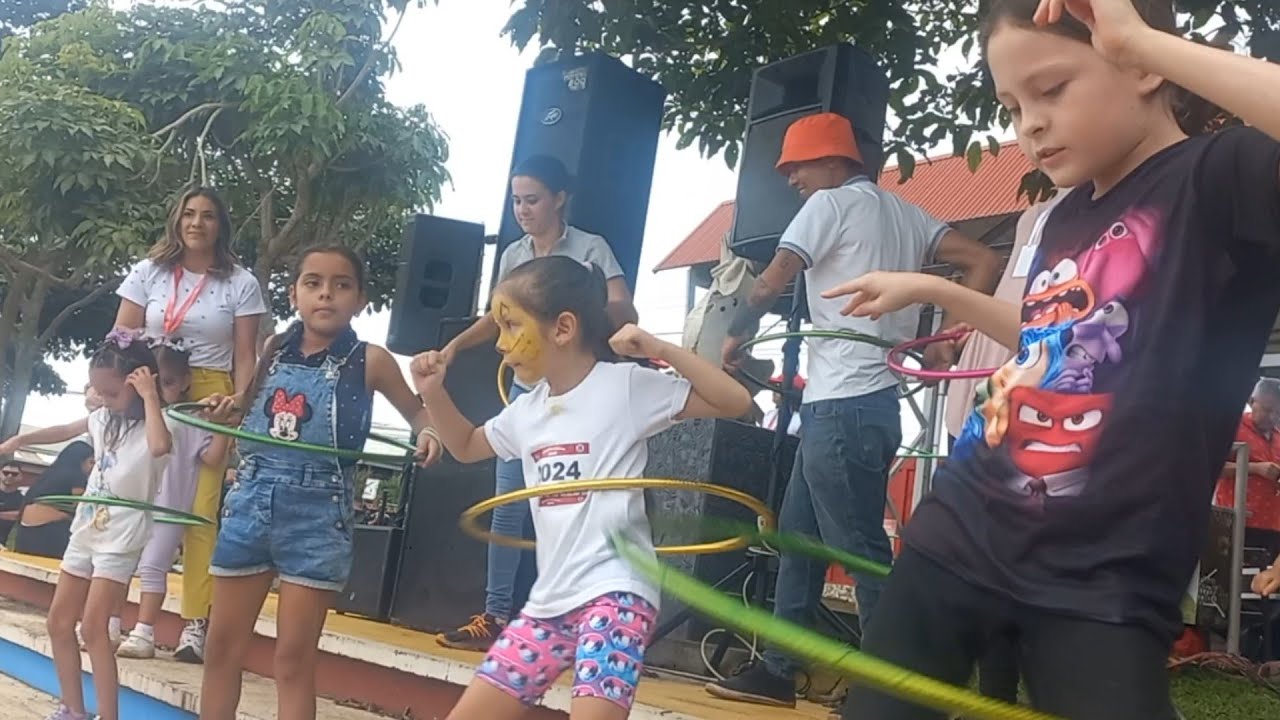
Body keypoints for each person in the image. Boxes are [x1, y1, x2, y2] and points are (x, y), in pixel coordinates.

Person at [821, 1, 1280, 717]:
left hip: (1105, 574)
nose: (1027, 124)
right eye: (1011, 104)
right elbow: (1051, 340)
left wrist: (1139, 37)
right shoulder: (1064, 215)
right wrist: (933, 288)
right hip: (962, 529)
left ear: (1146, 69)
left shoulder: (1220, 176)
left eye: (1052, 89)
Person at [708, 112, 1000, 707]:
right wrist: (949, 330)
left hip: (841, 408)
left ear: (835, 162)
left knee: (857, 550)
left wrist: (734, 334)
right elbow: (981, 261)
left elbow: (772, 282)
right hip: (862, 406)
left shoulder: (828, 207)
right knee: (799, 539)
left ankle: (895, 688)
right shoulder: (906, 214)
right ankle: (780, 669)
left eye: (799, 166)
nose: (792, 180)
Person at [410, 256, 752, 720]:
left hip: (617, 592)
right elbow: (467, 446)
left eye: (511, 326)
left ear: (563, 327)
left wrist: (658, 348)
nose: (502, 345)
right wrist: (432, 391)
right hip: (550, 600)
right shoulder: (527, 411)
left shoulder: (624, 386)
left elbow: (735, 402)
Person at [198, 246, 442, 720]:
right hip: (249, 503)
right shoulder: (273, 348)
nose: (326, 293)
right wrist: (229, 407)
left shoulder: (369, 359)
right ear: (294, 294)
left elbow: (416, 411)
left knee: (292, 660)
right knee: (221, 647)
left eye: (341, 284)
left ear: (360, 298)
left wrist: (429, 430)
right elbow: (249, 406)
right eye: (313, 283)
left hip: (318, 515)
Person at [436, 154, 642, 651]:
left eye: (532, 199)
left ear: (559, 198)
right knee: (510, 504)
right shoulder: (513, 254)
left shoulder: (591, 247)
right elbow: (497, 317)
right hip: (530, 392)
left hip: (582, 389)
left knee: (583, 505)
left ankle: (588, 618)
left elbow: (626, 307)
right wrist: (454, 347)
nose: (522, 209)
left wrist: (577, 307)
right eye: (516, 200)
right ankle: (495, 615)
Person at [114, 185, 266, 663]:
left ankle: (195, 623)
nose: (197, 223)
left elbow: (247, 354)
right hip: (151, 387)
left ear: (221, 225)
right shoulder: (148, 272)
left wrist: (239, 407)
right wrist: (109, 388)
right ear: (176, 220)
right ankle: (118, 614)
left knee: (198, 512)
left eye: (208, 216)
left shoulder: (240, 281)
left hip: (210, 394)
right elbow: (122, 335)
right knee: (135, 498)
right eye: (189, 214)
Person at [0, 331, 176, 720]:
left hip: (124, 527)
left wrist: (149, 396)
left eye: (112, 393)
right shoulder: (103, 419)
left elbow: (161, 447)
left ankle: (108, 716)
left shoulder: (158, 423)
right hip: (87, 523)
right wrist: (17, 441)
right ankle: (73, 708)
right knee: (59, 621)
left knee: (94, 628)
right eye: (98, 393)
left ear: (139, 380)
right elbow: (65, 431)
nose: (104, 401)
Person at [940, 194, 1064, 705]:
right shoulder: (1036, 212)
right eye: (1017, 109)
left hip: (1044, 405)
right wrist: (968, 327)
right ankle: (995, 698)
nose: (1034, 126)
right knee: (985, 566)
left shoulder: (1129, 207)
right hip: (984, 396)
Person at [117, 340, 233, 660]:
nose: (161, 390)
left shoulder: (191, 420)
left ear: (185, 382)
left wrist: (223, 428)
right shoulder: (138, 418)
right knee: (122, 564)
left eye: (168, 382)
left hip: (168, 509)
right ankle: (111, 623)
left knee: (154, 566)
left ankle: (144, 630)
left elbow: (211, 459)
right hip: (136, 505)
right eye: (154, 384)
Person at [1214, 378, 1280, 558]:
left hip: (1274, 525)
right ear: (1251, 402)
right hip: (1238, 523)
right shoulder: (1232, 428)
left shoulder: (1278, 436)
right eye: (1267, 410)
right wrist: (1253, 468)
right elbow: (1212, 467)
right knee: (1235, 581)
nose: (1272, 417)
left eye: (1277, 412)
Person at [12, 442, 95, 559]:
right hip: (51, 530)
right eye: (91, 462)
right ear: (80, 460)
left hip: (25, 529)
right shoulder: (77, 475)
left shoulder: (49, 474)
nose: (93, 468)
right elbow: (81, 506)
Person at [0, 461, 26, 543]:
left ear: (21, 476)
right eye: (6, 473)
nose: (10, 476)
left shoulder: (23, 500)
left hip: (5, 547)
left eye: (14, 474)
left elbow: (22, 516)